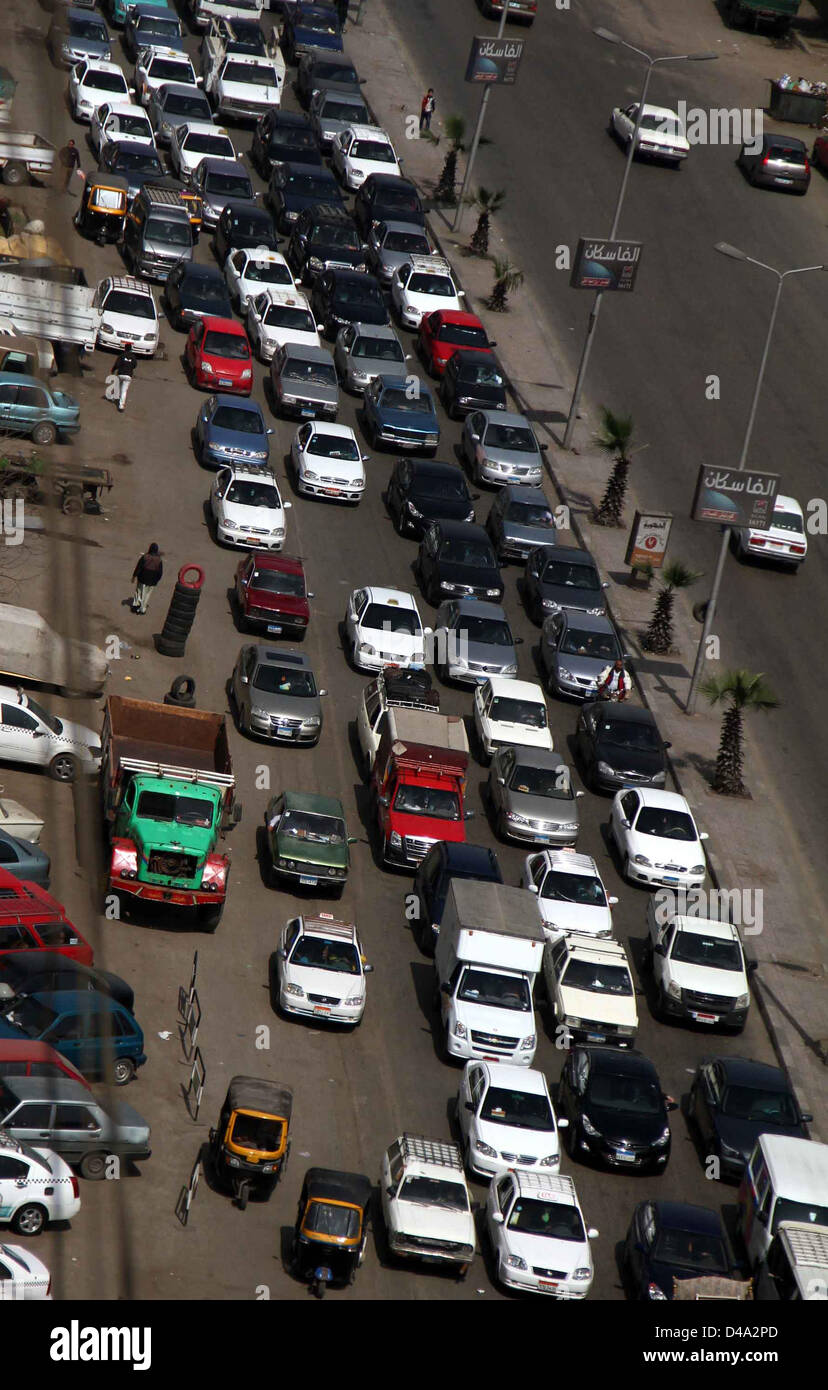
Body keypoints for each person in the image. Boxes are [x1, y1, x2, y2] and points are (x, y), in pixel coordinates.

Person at [131, 543, 163, 614]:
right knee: (147, 594)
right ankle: (142, 609)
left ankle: (135, 607)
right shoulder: (159, 560)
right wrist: (156, 580)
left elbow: (138, 568)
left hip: (142, 578)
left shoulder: (145, 557)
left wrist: (134, 576)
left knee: (139, 591)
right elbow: (160, 573)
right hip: (152, 580)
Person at [113, 344, 137, 411]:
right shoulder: (133, 357)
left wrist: (113, 370)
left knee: (117, 386)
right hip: (128, 375)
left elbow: (117, 364)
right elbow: (135, 365)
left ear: (125, 348)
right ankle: (121, 406)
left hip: (120, 374)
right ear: (131, 349)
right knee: (124, 391)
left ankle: (114, 397)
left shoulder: (121, 355)